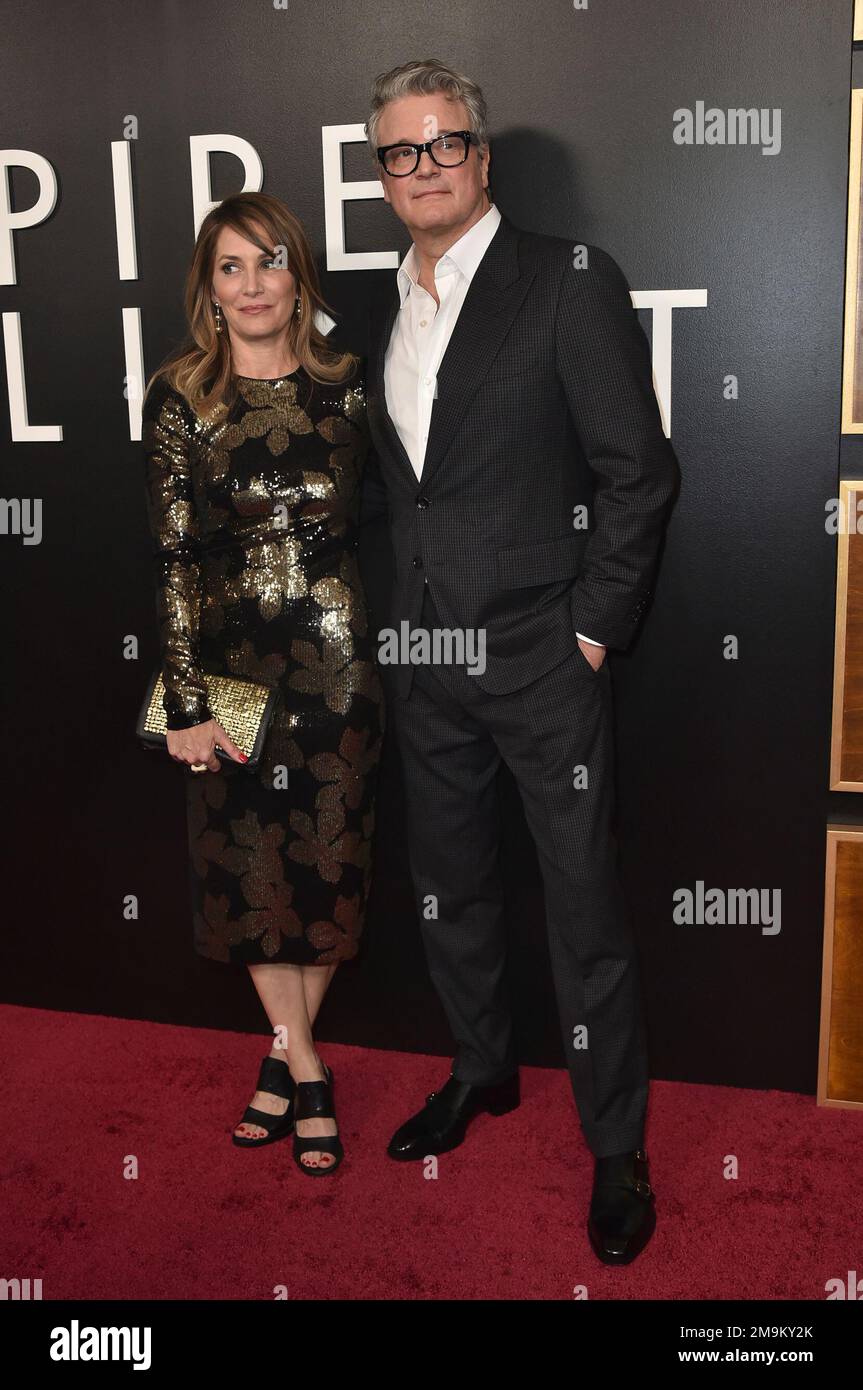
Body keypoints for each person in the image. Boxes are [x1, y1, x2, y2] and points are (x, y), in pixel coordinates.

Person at [361, 59, 679, 1261]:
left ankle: (615, 1148)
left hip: (544, 656)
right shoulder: (381, 297)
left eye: (444, 144)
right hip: (425, 654)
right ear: (381, 174)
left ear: (481, 160)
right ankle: (480, 1071)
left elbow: (636, 473)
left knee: (583, 908)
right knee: (451, 890)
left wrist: (589, 627)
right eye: (400, 150)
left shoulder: (562, 281)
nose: (424, 164)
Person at [142, 191, 383, 1175]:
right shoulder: (181, 398)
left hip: (338, 666)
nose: (250, 284)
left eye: (268, 261)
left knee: (324, 874)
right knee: (250, 877)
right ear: (208, 286)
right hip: (233, 669)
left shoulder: (348, 389)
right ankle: (307, 1068)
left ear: (298, 277)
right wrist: (185, 701)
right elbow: (170, 558)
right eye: (228, 266)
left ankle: (285, 1058)